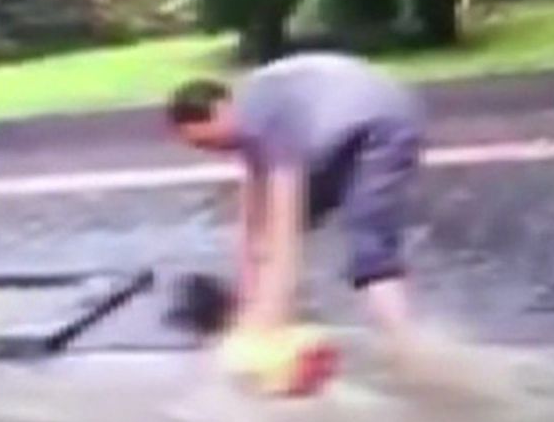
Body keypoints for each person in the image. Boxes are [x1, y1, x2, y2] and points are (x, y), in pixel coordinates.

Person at [166, 52, 423, 361]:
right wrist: (249, 304)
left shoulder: (263, 120)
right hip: (343, 128)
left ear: (220, 109)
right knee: (270, 235)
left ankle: (410, 351)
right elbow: (254, 224)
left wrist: (264, 327)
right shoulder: (249, 114)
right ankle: (287, 316)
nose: (215, 153)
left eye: (208, 144)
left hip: (380, 127)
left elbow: (284, 227)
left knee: (368, 241)